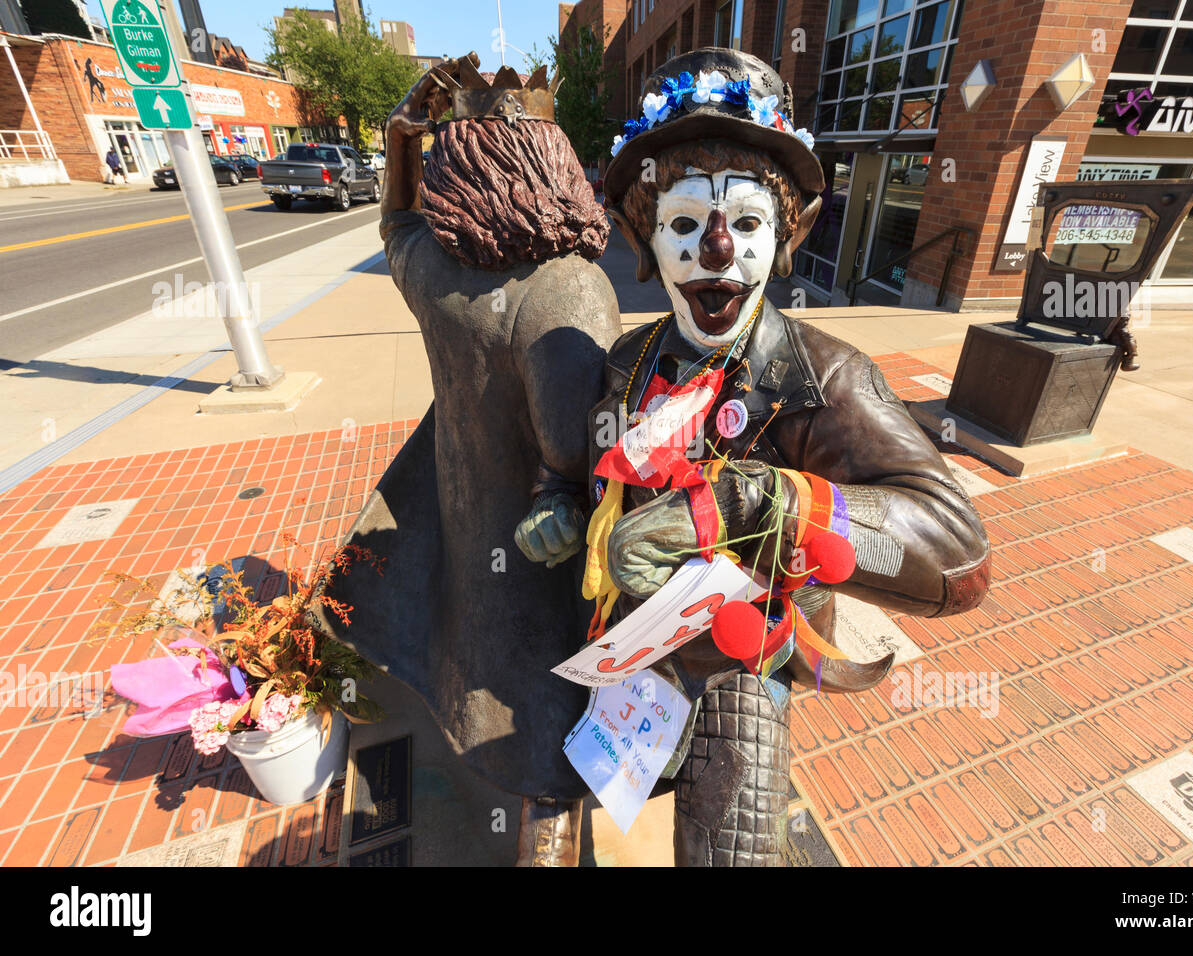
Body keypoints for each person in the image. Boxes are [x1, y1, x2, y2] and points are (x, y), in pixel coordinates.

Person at [584, 48, 991, 866]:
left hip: (747, 654)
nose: (719, 250)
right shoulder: (627, 363)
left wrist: (766, 503)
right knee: (585, 793)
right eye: (686, 222)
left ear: (788, 236)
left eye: (747, 223)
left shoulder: (829, 376)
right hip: (627, 648)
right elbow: (596, 477)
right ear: (645, 237)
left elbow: (960, 553)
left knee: (730, 849)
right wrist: (566, 514)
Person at [311, 55, 622, 865]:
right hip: (543, 559)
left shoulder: (436, 273)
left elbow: (397, 226)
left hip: (464, 525)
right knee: (544, 715)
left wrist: (401, 141)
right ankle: (548, 822)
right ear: (550, 162)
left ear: (466, 168)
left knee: (479, 659)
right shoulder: (569, 290)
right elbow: (574, 449)